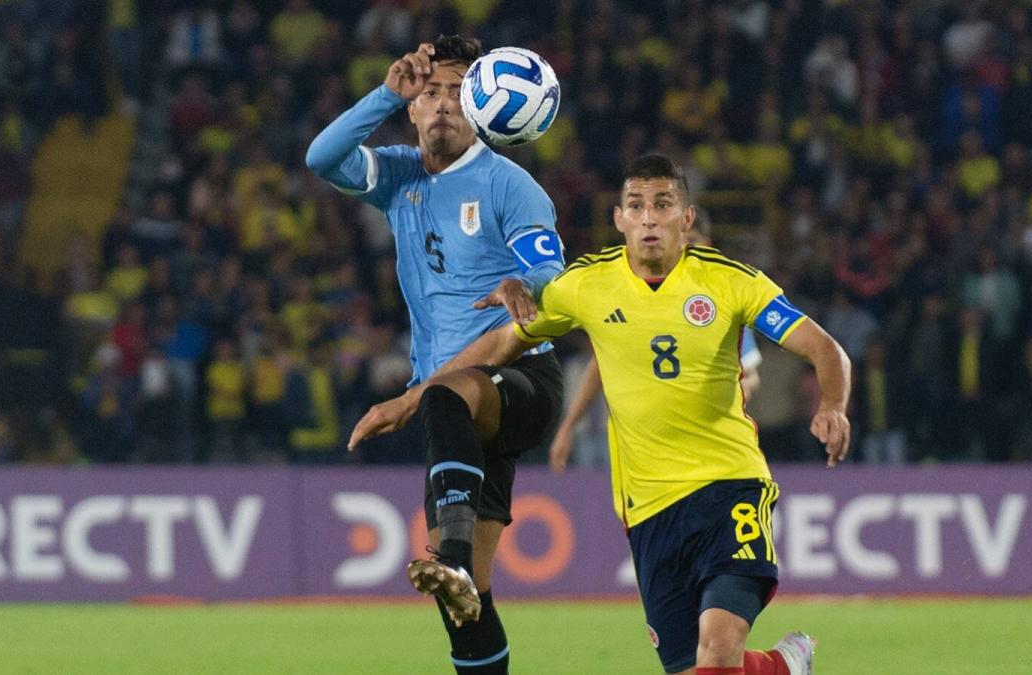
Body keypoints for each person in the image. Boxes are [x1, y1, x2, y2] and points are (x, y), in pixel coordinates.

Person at [355, 155, 852, 675]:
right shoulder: (588, 286)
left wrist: (833, 406)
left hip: (729, 487)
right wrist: (414, 399)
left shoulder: (732, 282)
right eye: (636, 206)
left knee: (717, 646)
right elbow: (503, 342)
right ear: (619, 219)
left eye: (663, 205)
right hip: (649, 511)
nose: (649, 218)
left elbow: (824, 347)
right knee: (698, 667)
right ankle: (783, 664)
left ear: (686, 218)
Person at [308, 36, 566, 675]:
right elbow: (322, 157)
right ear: (413, 107)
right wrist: (382, 96)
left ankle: (447, 548)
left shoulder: (510, 185)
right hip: (452, 408)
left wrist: (523, 285)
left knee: (449, 396)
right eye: (430, 93)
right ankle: (457, 569)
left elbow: (553, 274)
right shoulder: (397, 176)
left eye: (457, 92)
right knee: (466, 600)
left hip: (519, 378)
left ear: (480, 106)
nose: (443, 105)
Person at [547, 210, 764, 473]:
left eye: (692, 242)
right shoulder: (638, 296)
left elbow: (749, 374)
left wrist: (737, 388)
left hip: (707, 442)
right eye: (679, 241)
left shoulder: (722, 299)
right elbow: (601, 364)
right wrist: (569, 425)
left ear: (708, 244)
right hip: (644, 442)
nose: (685, 249)